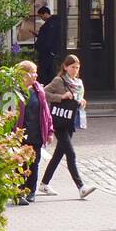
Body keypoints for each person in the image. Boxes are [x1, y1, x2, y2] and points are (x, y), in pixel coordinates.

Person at [39, 54, 96, 199]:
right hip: (59, 120)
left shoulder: (78, 82)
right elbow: (44, 93)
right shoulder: (59, 80)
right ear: (65, 67)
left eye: (77, 68)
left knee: (59, 154)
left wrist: (82, 101)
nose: (75, 70)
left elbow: (78, 98)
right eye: (72, 67)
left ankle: (44, 183)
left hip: (70, 121)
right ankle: (81, 186)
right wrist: (61, 97)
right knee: (70, 153)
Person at [15, 59, 51, 206]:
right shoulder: (14, 91)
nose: (35, 75)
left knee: (34, 164)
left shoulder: (39, 91)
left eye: (36, 72)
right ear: (23, 74)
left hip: (36, 133)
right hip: (20, 133)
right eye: (32, 72)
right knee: (20, 164)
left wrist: (49, 131)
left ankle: (31, 191)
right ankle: (19, 192)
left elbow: (46, 113)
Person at [34, 5, 61, 84]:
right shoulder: (53, 23)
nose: (41, 18)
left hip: (47, 53)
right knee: (49, 73)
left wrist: (45, 49)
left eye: (41, 16)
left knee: (47, 73)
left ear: (45, 13)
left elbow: (49, 39)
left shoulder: (50, 24)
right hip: (49, 52)